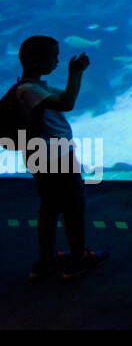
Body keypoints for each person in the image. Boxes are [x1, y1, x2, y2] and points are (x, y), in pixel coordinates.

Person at [14, 35, 110, 282]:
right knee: (73, 207)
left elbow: (65, 98)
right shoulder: (29, 90)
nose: (57, 60)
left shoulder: (33, 87)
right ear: (35, 61)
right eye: (53, 56)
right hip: (55, 156)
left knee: (49, 207)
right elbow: (67, 102)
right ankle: (78, 260)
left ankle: (45, 261)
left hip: (42, 154)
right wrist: (76, 73)